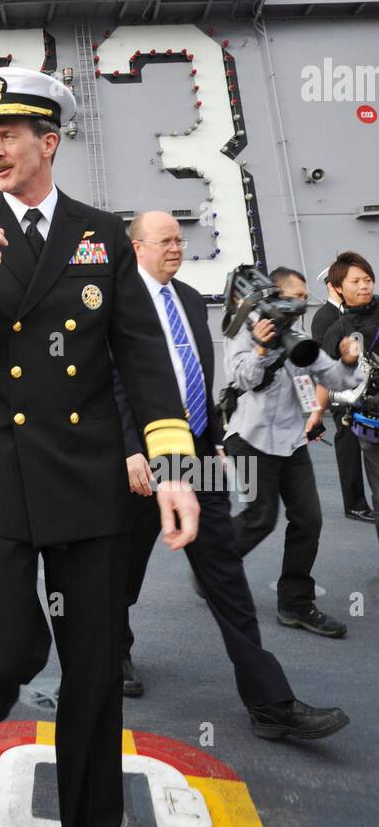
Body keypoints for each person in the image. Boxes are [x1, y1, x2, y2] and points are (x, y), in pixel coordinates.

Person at [0, 68, 200, 827]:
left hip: (91, 485)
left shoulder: (101, 232)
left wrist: (174, 469)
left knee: (96, 678)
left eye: (10, 135)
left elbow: (142, 360)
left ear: (49, 140)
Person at [118, 213, 349, 742]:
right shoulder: (117, 303)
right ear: (136, 248)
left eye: (181, 239)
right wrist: (132, 450)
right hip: (143, 458)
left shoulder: (193, 302)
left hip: (195, 455)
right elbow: (111, 380)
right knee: (121, 573)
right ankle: (115, 652)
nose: (177, 248)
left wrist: (216, 439)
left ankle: (271, 704)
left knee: (227, 580)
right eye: (166, 241)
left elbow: (203, 377)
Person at [224, 267, 362, 636]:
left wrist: (348, 361)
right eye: (297, 295)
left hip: (291, 441)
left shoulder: (300, 337)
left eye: (304, 296)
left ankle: (296, 603)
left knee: (308, 520)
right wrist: (261, 348)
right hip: (248, 440)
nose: (303, 302)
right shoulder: (242, 330)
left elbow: (335, 379)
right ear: (275, 296)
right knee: (260, 517)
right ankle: (214, 566)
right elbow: (244, 379)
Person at [319, 252, 379, 545]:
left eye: (367, 279)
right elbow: (327, 380)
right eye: (355, 281)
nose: (364, 285)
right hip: (370, 420)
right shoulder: (336, 329)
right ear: (338, 287)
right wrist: (346, 361)